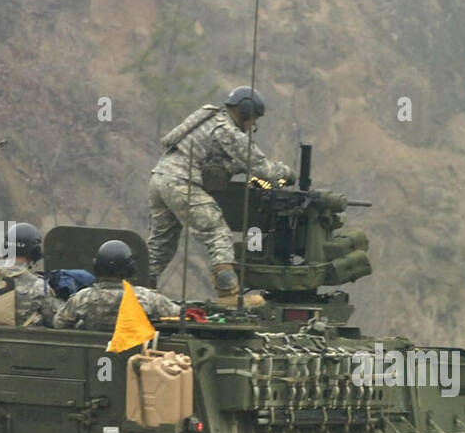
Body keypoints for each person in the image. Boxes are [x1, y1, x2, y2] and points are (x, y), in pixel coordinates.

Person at [147, 85, 296, 306]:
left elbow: (221, 161)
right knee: (218, 232)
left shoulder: (210, 119)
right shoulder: (228, 130)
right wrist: (288, 173)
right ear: (244, 111)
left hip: (159, 178)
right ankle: (228, 294)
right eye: (253, 118)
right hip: (180, 182)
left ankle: (138, 289)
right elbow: (263, 169)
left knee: (161, 245)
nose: (253, 124)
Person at [54, 239, 179, 331]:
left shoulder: (82, 298)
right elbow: (179, 314)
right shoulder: (147, 298)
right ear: (130, 269)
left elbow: (58, 323)